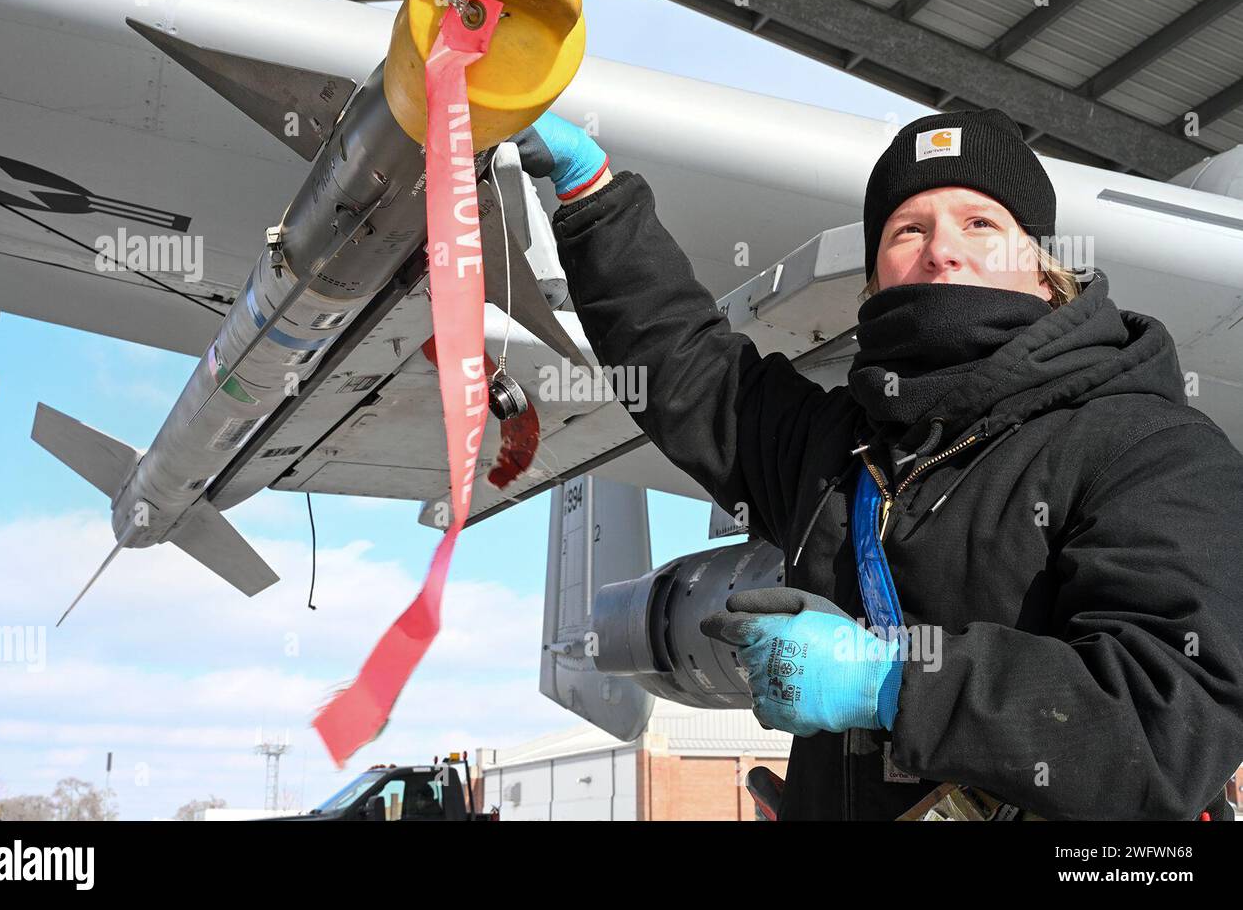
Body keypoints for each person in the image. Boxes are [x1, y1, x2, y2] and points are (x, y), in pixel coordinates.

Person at [511, 107, 1243, 820]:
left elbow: (1172, 723)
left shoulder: (1149, 448)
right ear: (875, 283)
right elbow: (684, 364)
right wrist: (592, 192)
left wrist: (894, 685)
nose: (941, 249)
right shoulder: (839, 453)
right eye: (908, 229)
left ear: (1048, 273)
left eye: (981, 223)